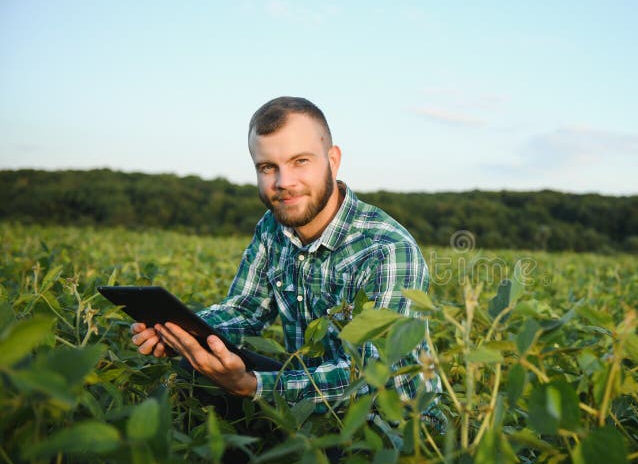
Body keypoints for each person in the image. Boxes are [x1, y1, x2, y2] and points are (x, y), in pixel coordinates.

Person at [130, 96, 442, 429]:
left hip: (395, 428)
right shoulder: (272, 227)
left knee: (236, 383)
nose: (284, 182)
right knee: (199, 365)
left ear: (332, 161)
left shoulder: (387, 249)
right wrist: (181, 330)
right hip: (309, 405)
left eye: (300, 161)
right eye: (268, 167)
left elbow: (369, 375)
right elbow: (245, 310)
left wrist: (253, 386)